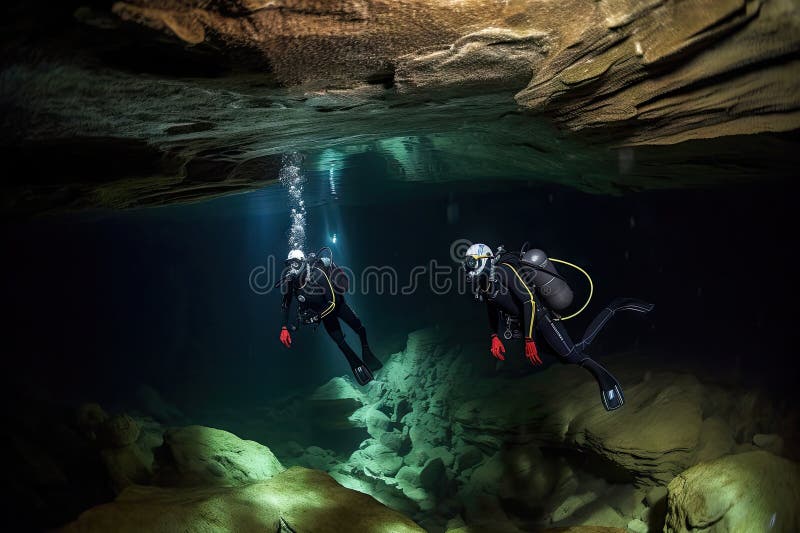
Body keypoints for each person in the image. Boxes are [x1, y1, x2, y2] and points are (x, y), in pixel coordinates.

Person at [462, 243, 653, 411]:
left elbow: (529, 301)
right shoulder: (483, 284)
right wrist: (495, 336)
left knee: (573, 355)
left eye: (472, 263)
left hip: (542, 318)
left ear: (485, 259)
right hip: (530, 326)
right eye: (467, 264)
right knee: (567, 356)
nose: (469, 269)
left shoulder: (504, 271)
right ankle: (615, 307)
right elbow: (492, 309)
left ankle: (607, 380)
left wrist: (529, 339)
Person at [277, 248, 382, 385]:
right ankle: (357, 365)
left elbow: (332, 302)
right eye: (289, 264)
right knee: (340, 342)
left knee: (359, 328)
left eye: (295, 263)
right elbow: (286, 304)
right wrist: (284, 327)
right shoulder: (291, 282)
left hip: (338, 306)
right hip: (324, 315)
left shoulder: (317, 274)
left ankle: (366, 349)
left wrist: (316, 317)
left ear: (302, 262)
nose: (292, 267)